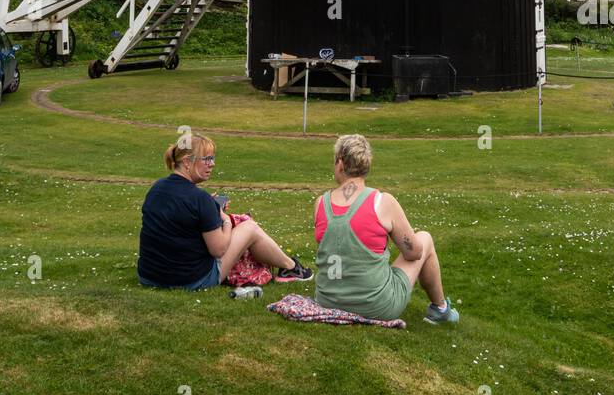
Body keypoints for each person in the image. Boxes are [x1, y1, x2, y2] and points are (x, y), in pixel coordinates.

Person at [314, 133, 458, 324]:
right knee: (424, 238)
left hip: (327, 300)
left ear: (340, 163)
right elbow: (414, 252)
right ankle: (440, 309)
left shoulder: (321, 203)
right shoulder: (382, 202)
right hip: (375, 306)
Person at [138, 132, 312, 290]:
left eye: (212, 158)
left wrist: (211, 209)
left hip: (148, 276)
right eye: (206, 159)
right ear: (186, 162)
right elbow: (218, 250)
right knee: (249, 228)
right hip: (192, 280)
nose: (212, 164)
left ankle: (289, 267)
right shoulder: (199, 198)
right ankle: (291, 268)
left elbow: (179, 222)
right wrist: (225, 220)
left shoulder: (156, 189)